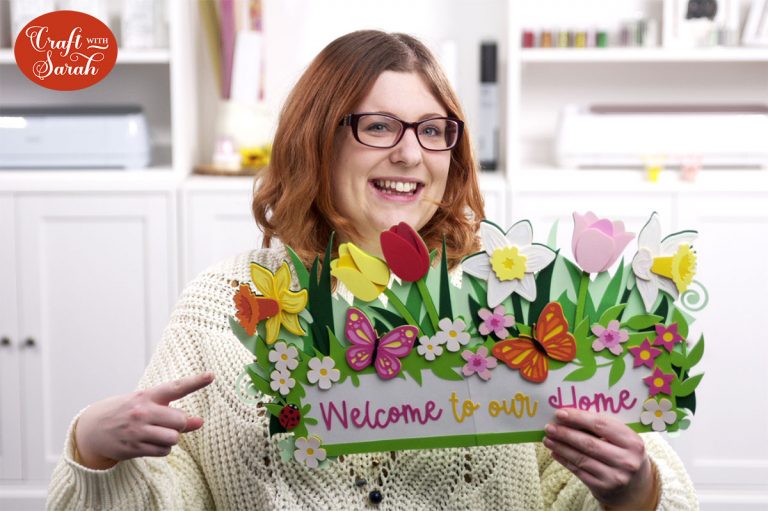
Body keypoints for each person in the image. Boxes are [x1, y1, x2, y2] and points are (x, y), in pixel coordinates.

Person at [47, 30, 698, 510]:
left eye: (434, 129)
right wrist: (94, 444)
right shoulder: (225, 304)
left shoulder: (518, 297)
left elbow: (616, 485)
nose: (412, 153)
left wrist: (634, 486)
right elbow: (168, 495)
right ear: (316, 139)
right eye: (379, 126)